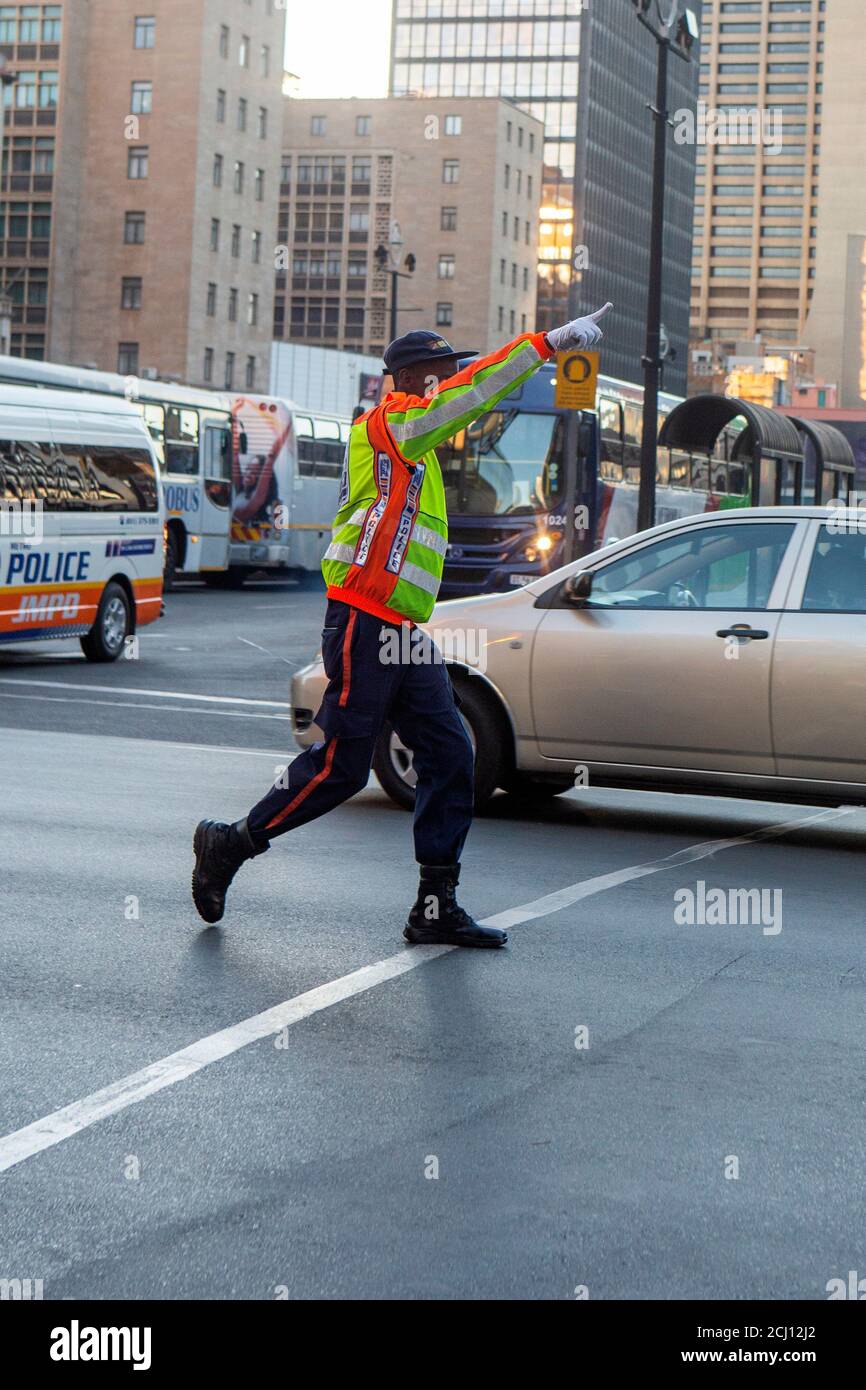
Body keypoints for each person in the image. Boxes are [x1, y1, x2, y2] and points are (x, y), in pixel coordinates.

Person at [192, 306, 613, 949]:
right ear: (414, 379)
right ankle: (229, 845)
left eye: (451, 373)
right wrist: (546, 345)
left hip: (400, 629)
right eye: (442, 374)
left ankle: (436, 906)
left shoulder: (418, 452)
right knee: (341, 769)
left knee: (451, 753)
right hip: (363, 618)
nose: (451, 382)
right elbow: (468, 397)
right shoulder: (387, 425)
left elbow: (464, 399)